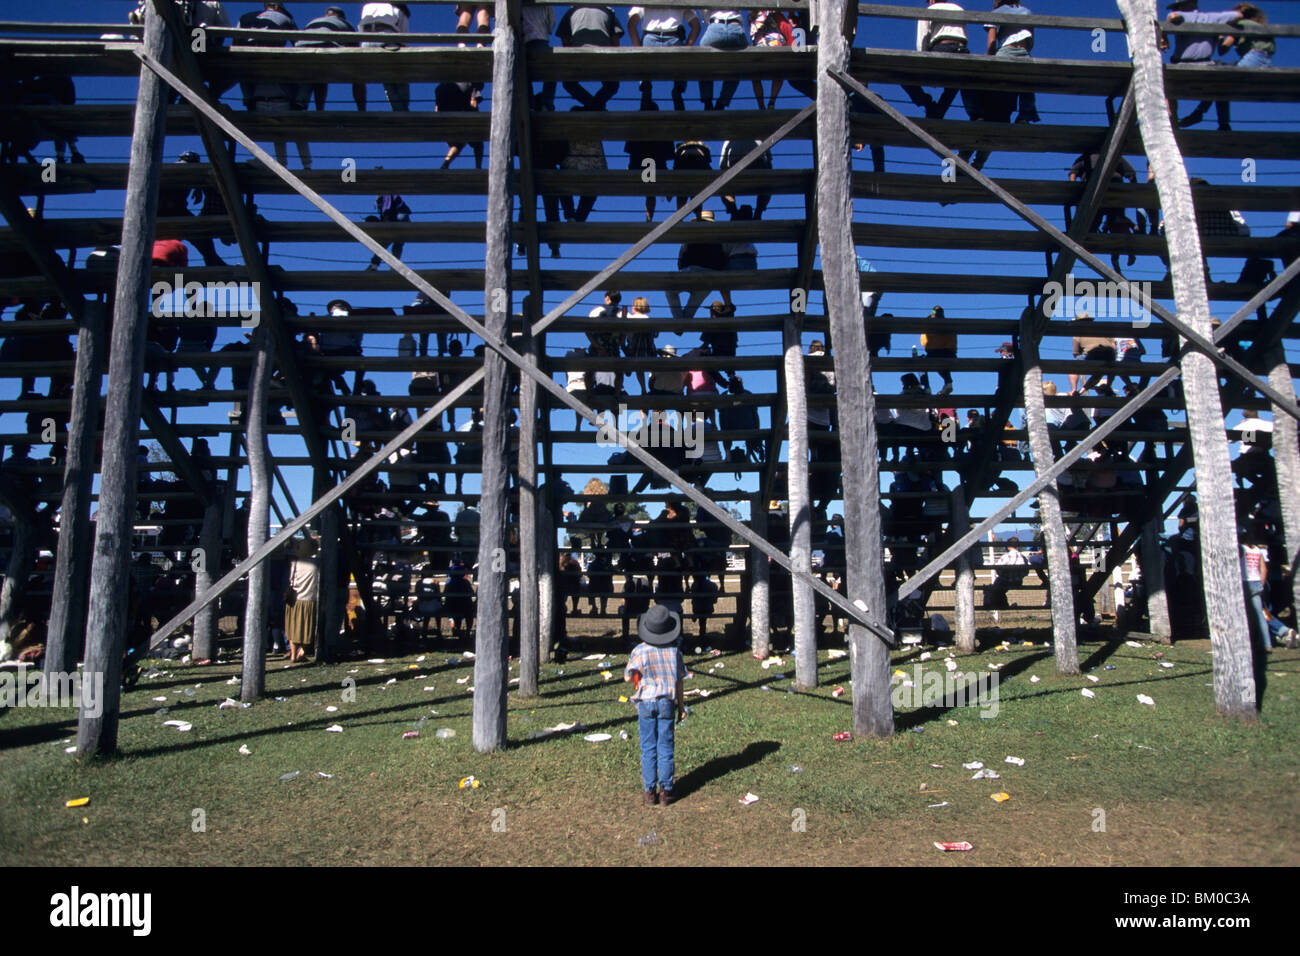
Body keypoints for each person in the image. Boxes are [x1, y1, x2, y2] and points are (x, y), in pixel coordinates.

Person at [624, 604, 687, 806]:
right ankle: (665, 791)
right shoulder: (675, 652)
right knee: (666, 746)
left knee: (648, 747)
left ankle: (649, 791)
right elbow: (679, 681)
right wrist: (682, 706)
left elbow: (627, 678)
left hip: (645, 701)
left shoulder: (639, 651)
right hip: (666, 701)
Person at [237, 3, 312, 169]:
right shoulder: (285, 19)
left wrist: (247, 99)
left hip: (261, 99)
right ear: (277, 7)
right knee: (288, 132)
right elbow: (299, 43)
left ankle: (286, 163)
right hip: (277, 100)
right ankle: (298, 164)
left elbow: (236, 42)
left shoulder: (246, 18)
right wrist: (300, 102)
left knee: (278, 133)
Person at [1165, 0, 1242, 132]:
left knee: (1163, 82)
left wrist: (1164, 33)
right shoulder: (1213, 18)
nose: (1177, 9)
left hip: (1181, 65)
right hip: (1206, 65)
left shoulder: (1182, 16)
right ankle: (1222, 123)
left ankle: (1171, 120)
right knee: (1221, 83)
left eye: (1180, 5)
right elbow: (1238, 15)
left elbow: (1173, 17)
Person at [1209, 3, 1274, 131]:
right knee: (1222, 79)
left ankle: (1216, 120)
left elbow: (1223, 49)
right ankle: (1209, 116)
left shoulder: (1240, 25)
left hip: (1253, 58)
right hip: (1266, 60)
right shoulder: (1261, 27)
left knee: (1219, 84)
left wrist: (1220, 36)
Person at [903, 0, 969, 120]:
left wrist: (924, 64)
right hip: (962, 51)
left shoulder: (929, 10)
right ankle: (940, 109)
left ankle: (926, 102)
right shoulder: (959, 8)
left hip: (942, 48)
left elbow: (921, 42)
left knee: (902, 74)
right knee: (958, 77)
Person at [628, 6, 700, 112]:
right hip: (673, 38)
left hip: (650, 37)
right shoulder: (679, 2)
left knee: (644, 67)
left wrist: (638, 48)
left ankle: (646, 92)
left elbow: (631, 24)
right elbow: (696, 25)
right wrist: (687, 47)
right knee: (682, 64)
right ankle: (678, 92)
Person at [556, 5, 623, 110]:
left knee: (568, 83)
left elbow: (564, 37)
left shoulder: (572, 10)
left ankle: (591, 105)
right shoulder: (608, 10)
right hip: (603, 55)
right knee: (612, 85)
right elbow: (615, 38)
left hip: (578, 54)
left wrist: (570, 56)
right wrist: (613, 60)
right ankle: (596, 106)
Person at [625, 96, 677, 220]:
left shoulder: (636, 128)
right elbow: (669, 153)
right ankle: (651, 213)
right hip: (655, 164)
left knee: (650, 190)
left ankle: (649, 216)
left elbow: (629, 149)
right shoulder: (663, 129)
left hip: (641, 164)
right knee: (651, 188)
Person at [353, 2, 411, 112]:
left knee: (386, 76)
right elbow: (404, 38)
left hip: (366, 42)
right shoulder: (399, 8)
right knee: (400, 74)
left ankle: (399, 110)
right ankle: (402, 111)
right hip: (386, 37)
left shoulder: (367, 6)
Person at [296, 6, 357, 110]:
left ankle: (300, 102)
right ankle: (320, 109)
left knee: (310, 71)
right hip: (325, 50)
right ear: (341, 17)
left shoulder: (313, 22)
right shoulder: (345, 23)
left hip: (301, 51)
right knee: (323, 70)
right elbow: (356, 51)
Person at [670, 210, 726, 319]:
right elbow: (722, 259)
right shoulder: (718, 239)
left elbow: (681, 258)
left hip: (691, 271)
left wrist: (682, 271)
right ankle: (681, 323)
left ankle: (679, 321)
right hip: (710, 277)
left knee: (669, 289)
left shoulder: (690, 237)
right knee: (694, 302)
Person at [698, 9, 750, 111]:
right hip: (736, 28)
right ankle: (723, 102)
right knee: (738, 63)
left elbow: (703, 12)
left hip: (715, 27)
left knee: (703, 58)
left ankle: (707, 101)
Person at [749, 9, 795, 109]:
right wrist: (791, 45)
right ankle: (772, 102)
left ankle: (761, 105)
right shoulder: (776, 14)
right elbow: (786, 28)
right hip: (777, 46)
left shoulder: (753, 16)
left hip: (760, 49)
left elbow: (753, 36)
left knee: (755, 76)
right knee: (778, 73)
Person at [285, 536, 320, 663]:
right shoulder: (316, 564)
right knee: (307, 628)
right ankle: (302, 652)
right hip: (309, 599)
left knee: (292, 627)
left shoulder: (295, 563)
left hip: (294, 599)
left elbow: (290, 580)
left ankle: (293, 654)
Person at [435, 81, 485, 168]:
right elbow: (473, 103)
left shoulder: (445, 83)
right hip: (457, 95)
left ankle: (446, 164)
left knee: (459, 143)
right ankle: (478, 167)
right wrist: (477, 123)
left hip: (442, 96)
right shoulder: (474, 82)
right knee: (478, 140)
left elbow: (436, 108)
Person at [522, 0, 557, 110]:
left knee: (524, 75)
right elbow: (552, 24)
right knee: (551, 72)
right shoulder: (545, 2)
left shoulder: (518, 3)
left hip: (522, 42)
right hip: (541, 39)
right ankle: (546, 102)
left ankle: (529, 104)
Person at [1069, 312, 1116, 395]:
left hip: (1093, 353)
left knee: (1072, 367)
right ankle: (1107, 386)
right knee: (1099, 373)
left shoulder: (1078, 333)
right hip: (1109, 354)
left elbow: (1075, 353)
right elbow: (1113, 346)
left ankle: (1074, 390)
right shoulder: (1103, 329)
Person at [364, 192, 411, 269]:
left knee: (385, 243)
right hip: (403, 219)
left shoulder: (386, 195)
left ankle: (374, 265)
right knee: (397, 244)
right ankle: (394, 266)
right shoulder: (388, 198)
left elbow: (387, 208)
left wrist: (385, 220)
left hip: (398, 218)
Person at [921, 305, 956, 395]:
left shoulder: (931, 327)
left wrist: (931, 316)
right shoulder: (950, 325)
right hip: (950, 353)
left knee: (921, 363)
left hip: (937, 352)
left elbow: (926, 343)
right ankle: (948, 382)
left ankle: (926, 387)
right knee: (941, 363)